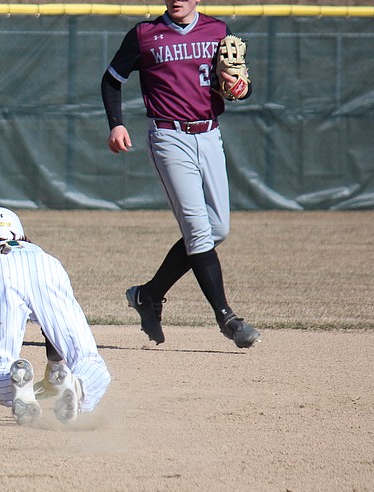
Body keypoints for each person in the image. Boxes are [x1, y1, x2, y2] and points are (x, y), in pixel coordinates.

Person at [101, 0, 261, 349]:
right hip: (168, 136)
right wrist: (116, 124)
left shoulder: (217, 30)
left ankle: (148, 295)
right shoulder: (145, 34)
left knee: (217, 228)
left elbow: (239, 84)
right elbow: (112, 80)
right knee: (198, 230)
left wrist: (241, 89)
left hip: (210, 133)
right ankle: (227, 318)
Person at [0, 207, 112, 425]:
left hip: (1, 270)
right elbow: (51, 327)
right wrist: (55, 368)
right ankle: (77, 385)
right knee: (89, 361)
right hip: (49, 266)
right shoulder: (37, 251)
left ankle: (16, 385)